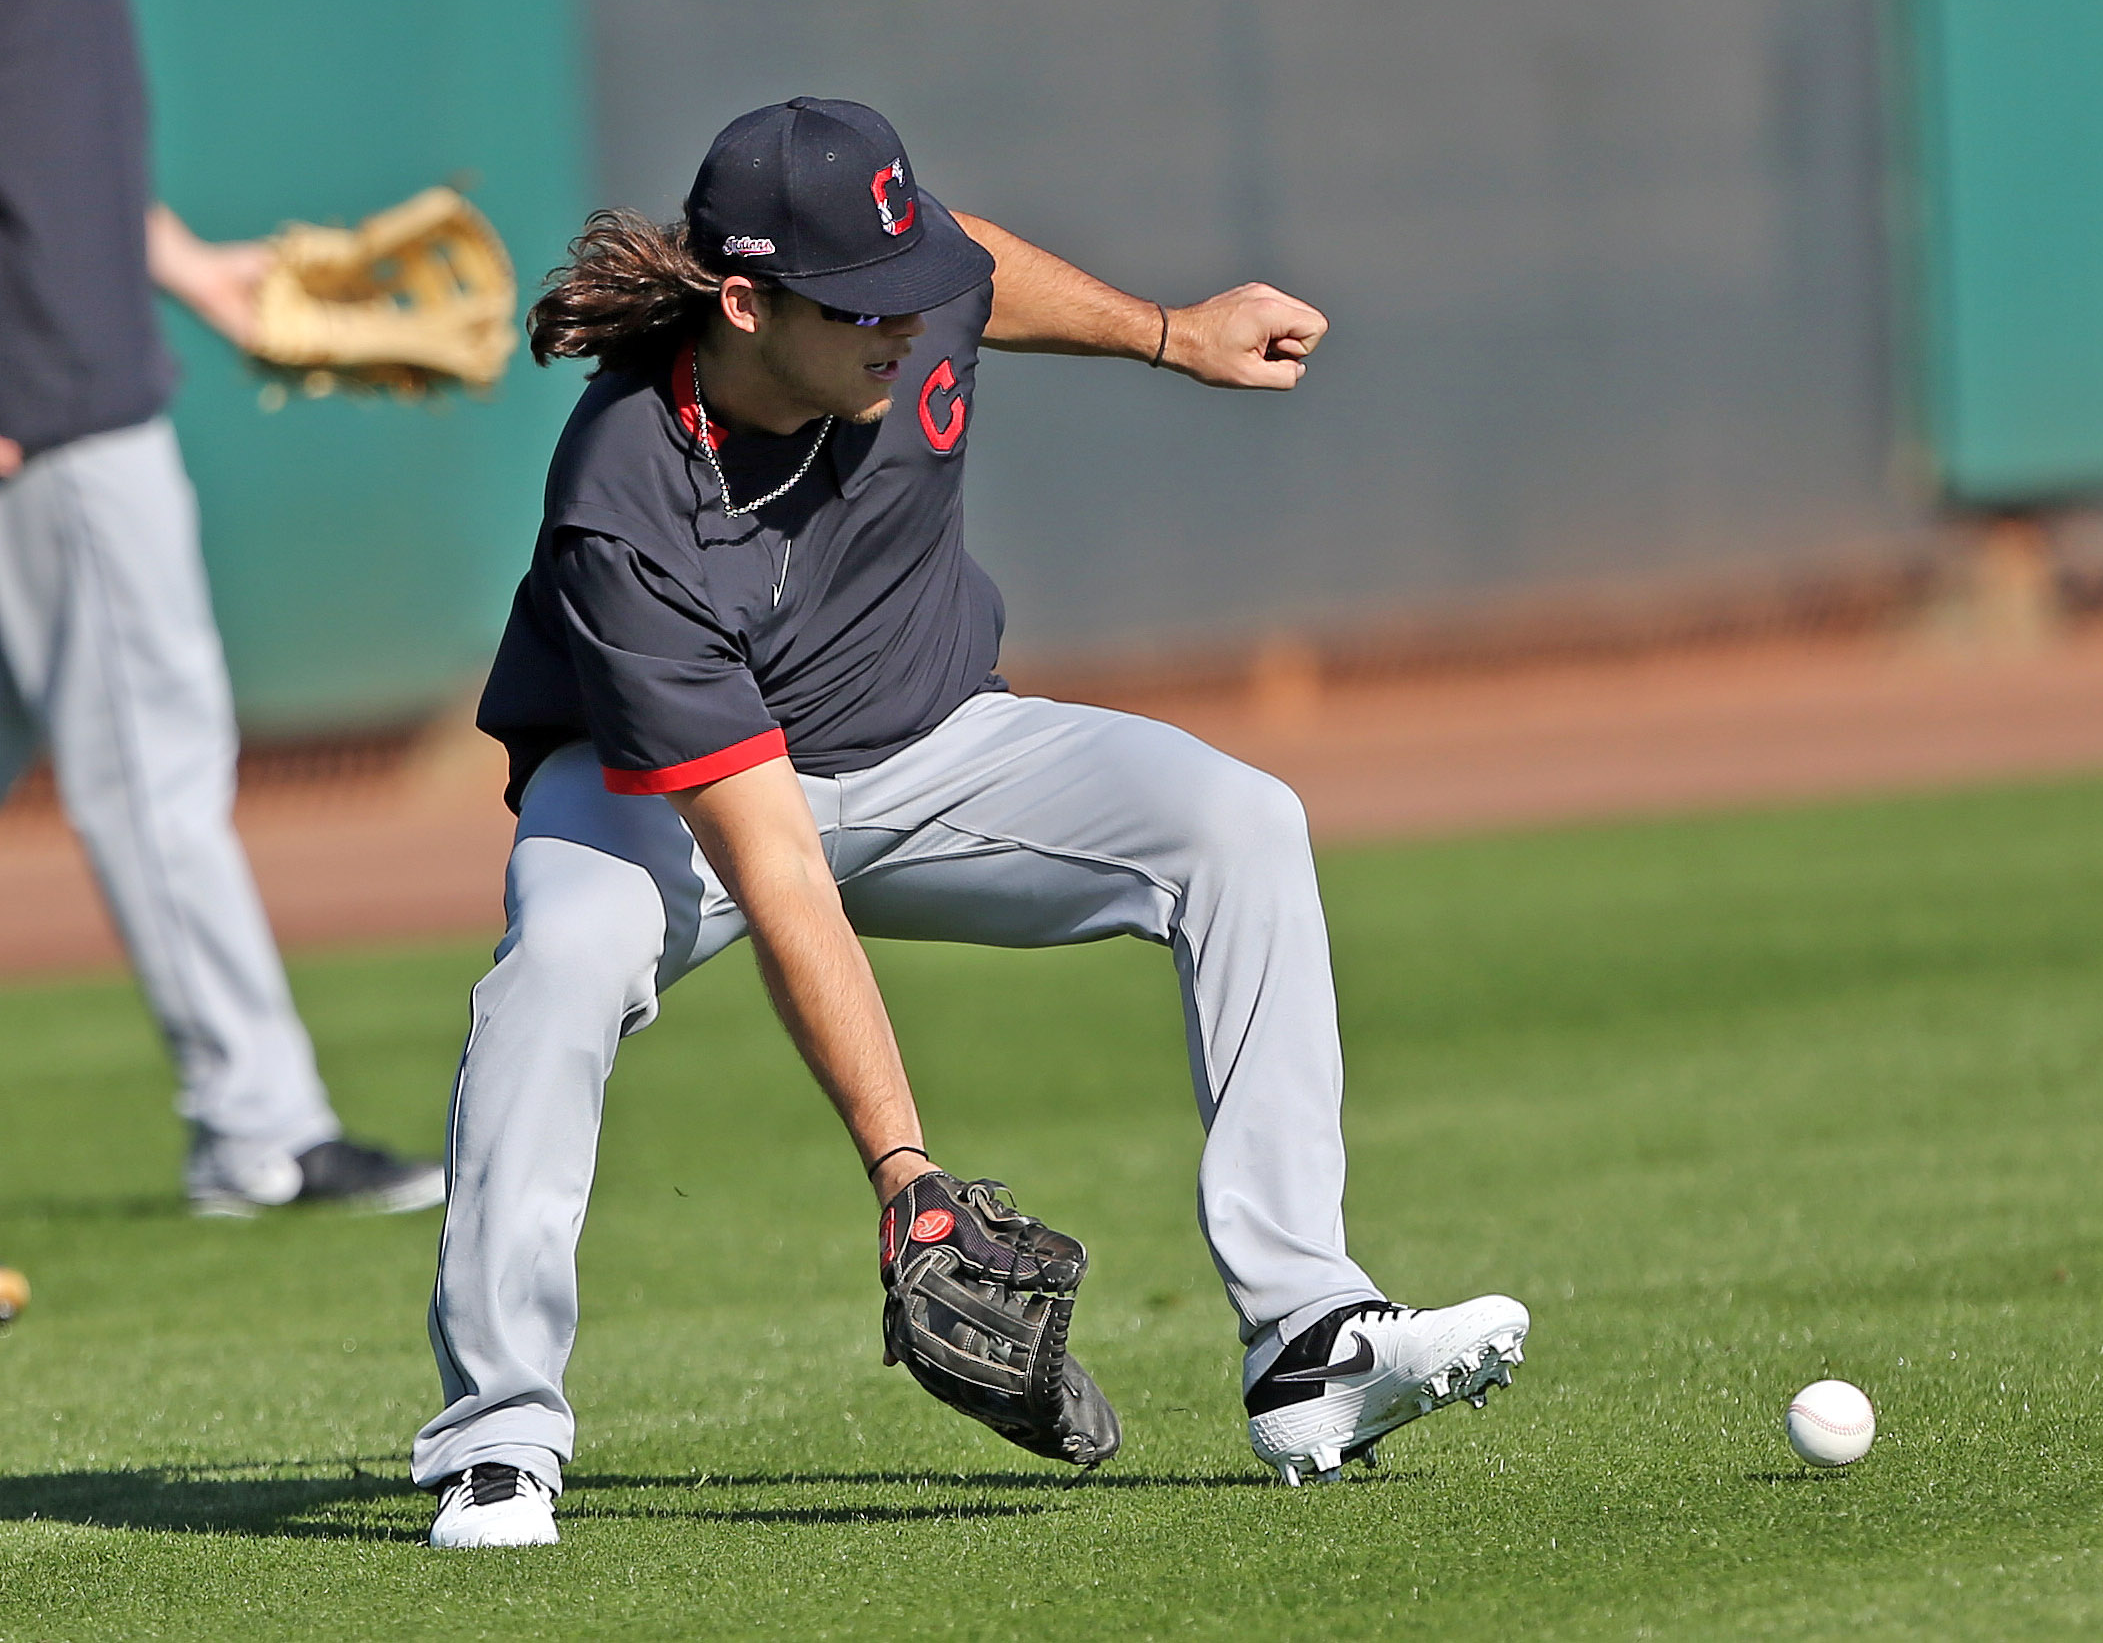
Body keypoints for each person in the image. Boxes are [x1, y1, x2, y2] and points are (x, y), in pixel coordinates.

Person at [414, 97, 1530, 1548]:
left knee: (1237, 823)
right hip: (669, 800)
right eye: (864, 297)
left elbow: (976, 262)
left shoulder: (904, 297)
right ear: (743, 304)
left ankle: (1307, 1332)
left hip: (933, 742)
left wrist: (1169, 332)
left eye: (907, 274)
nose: (907, 314)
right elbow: (777, 867)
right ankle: (496, 1441)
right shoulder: (626, 497)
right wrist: (904, 1171)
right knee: (556, 966)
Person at [0, 0, 443, 1216]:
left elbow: (41, 125)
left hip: (74, 373)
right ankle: (257, 1129)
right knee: (154, 757)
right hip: (50, 406)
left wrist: (182, 261)